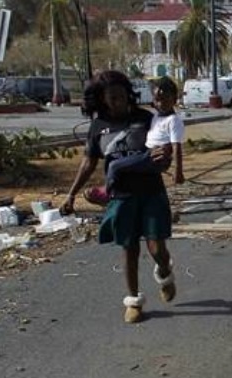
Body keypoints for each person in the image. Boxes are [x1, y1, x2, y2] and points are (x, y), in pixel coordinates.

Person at [61, 70, 177, 324]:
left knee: (157, 248)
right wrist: (70, 195)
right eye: (111, 98)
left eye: (121, 96)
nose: (117, 102)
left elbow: (164, 147)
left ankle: (165, 271)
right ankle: (133, 300)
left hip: (151, 192)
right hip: (121, 197)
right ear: (102, 100)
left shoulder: (146, 118)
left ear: (128, 95)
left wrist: (164, 157)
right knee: (129, 249)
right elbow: (89, 162)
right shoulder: (98, 127)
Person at [84, 76, 185, 205]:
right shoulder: (155, 117)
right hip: (146, 155)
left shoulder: (173, 120)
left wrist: (178, 171)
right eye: (157, 100)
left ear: (174, 100)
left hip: (153, 158)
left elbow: (176, 146)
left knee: (114, 166)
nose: (161, 104)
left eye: (165, 100)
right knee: (125, 166)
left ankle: (108, 193)